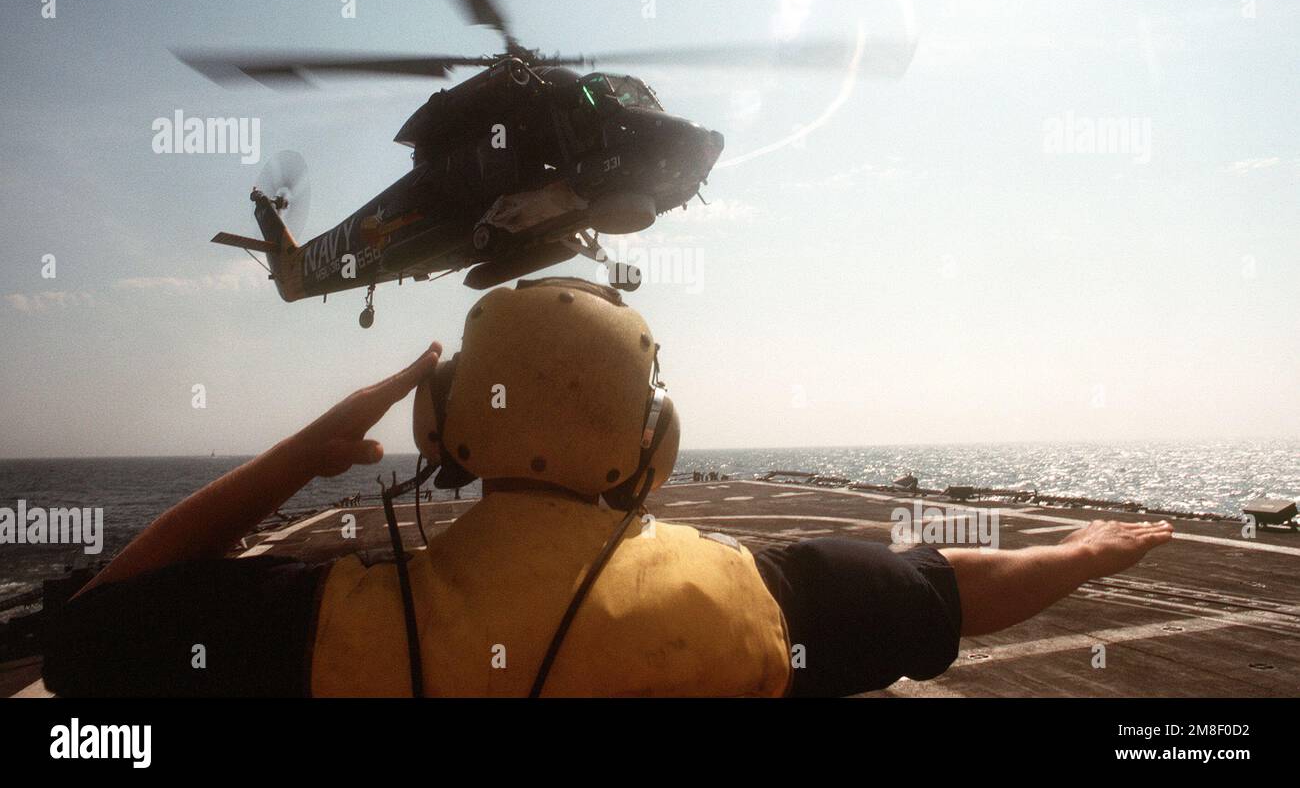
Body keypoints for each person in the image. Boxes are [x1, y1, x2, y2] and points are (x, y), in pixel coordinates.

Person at [42, 278, 1174, 697]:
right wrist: (1092, 549)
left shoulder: (320, 623)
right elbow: (960, 585)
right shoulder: (764, 602)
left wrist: (307, 453)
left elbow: (92, 636)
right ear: (655, 442)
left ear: (438, 430)